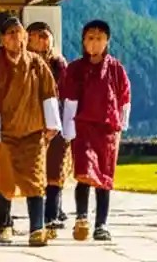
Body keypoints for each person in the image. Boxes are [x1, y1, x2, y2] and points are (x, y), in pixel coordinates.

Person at [0, 16, 61, 247]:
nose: (17, 38)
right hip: (5, 134)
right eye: (11, 34)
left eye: (19, 33)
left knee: (35, 182)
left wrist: (52, 125)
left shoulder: (36, 63)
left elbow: (49, 92)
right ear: (3, 40)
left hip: (33, 133)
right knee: (6, 183)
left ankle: (37, 229)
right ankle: (4, 224)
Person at [61, 19, 132, 243]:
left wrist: (122, 123)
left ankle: (101, 224)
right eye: (90, 38)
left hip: (107, 131)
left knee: (104, 179)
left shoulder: (116, 69)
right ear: (83, 41)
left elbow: (124, 97)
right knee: (84, 173)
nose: (94, 42)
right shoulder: (75, 69)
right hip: (83, 128)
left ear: (107, 41)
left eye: (99, 38)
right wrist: (68, 127)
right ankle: (82, 218)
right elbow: (69, 99)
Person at [27, 21, 71, 230]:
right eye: (36, 36)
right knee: (35, 170)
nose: (41, 41)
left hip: (57, 120)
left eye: (45, 36)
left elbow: (67, 91)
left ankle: (52, 213)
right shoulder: (26, 63)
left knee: (55, 168)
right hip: (32, 122)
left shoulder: (58, 64)